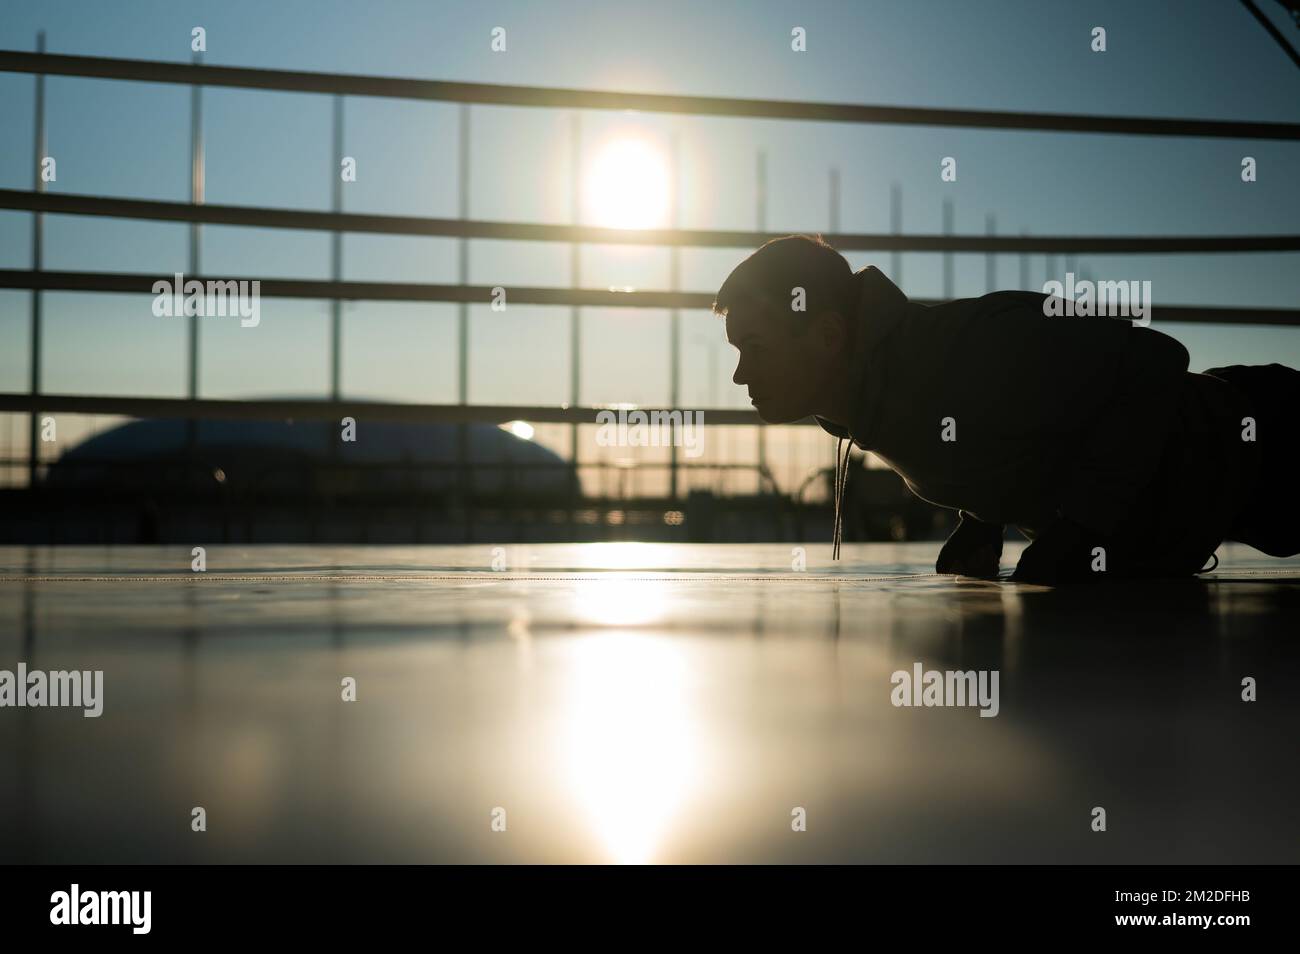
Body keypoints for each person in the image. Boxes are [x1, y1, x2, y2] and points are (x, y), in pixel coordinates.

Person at [712, 234, 1299, 584]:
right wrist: (983, 517)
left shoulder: (969, 342)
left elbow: (1155, 360)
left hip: (1276, 439)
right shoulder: (876, 399)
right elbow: (1012, 422)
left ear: (828, 334)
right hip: (1243, 497)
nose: (741, 373)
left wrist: (1086, 524)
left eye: (755, 348)